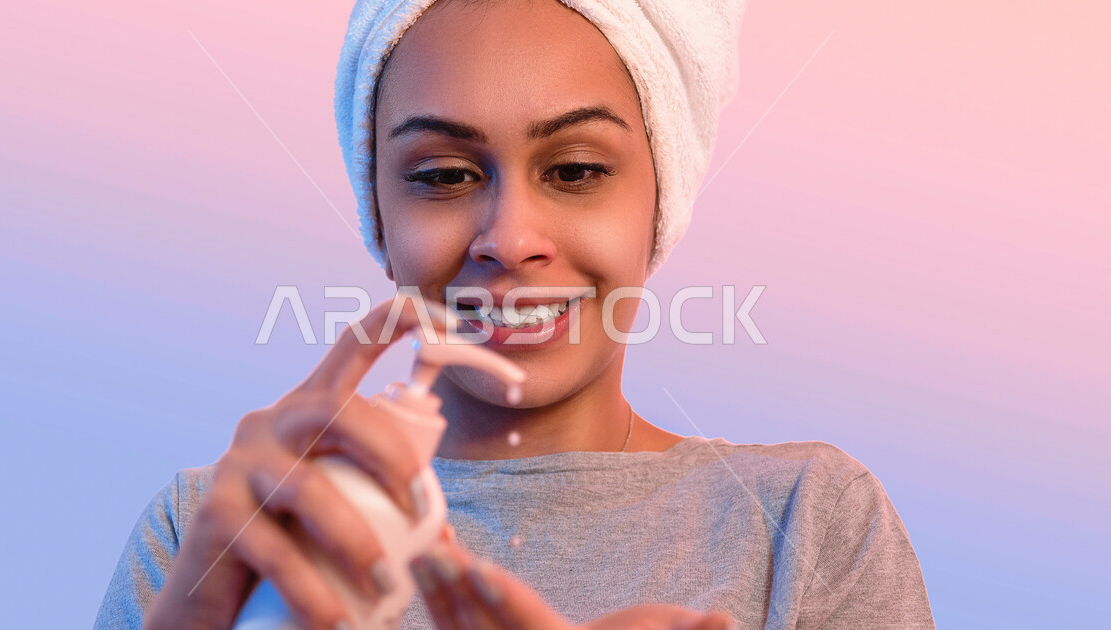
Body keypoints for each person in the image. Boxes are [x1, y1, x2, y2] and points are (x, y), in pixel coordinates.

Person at [95, 0, 935, 628]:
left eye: (574, 170)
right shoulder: (220, 532)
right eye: (444, 176)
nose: (511, 239)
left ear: (661, 202)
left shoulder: (807, 522)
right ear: (378, 213)